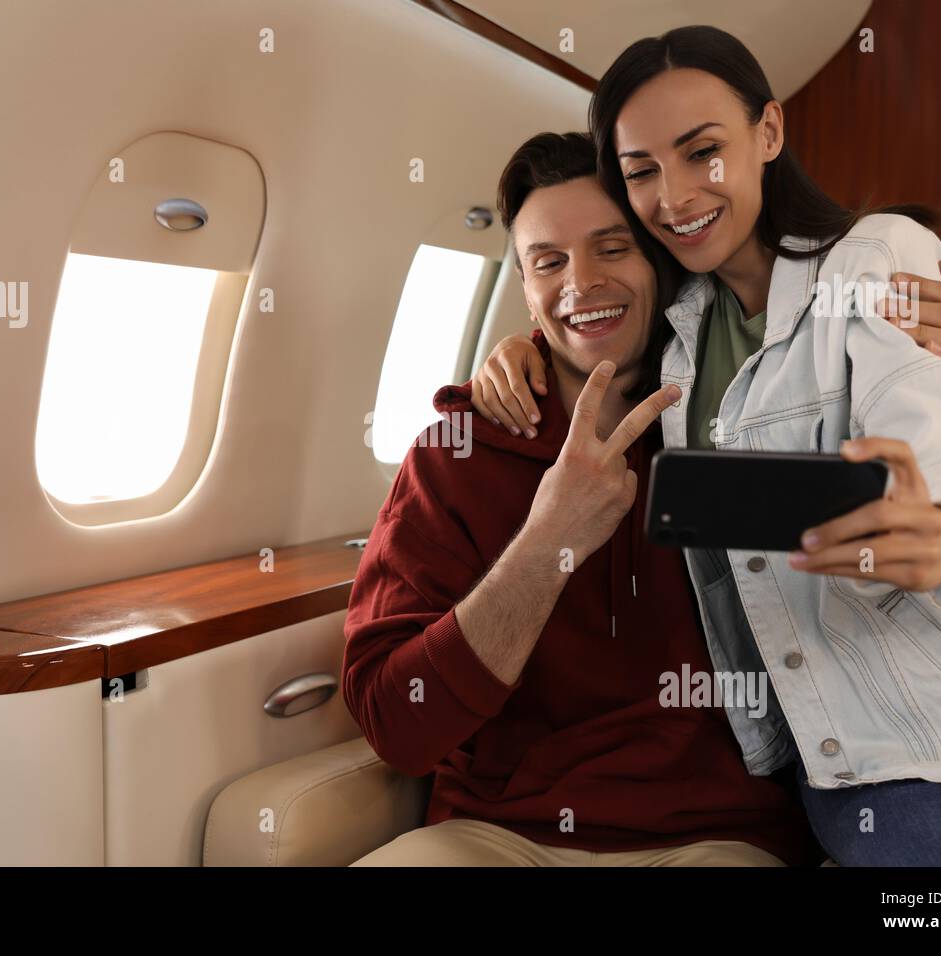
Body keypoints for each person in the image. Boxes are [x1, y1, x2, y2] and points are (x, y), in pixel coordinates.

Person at [468, 26, 941, 866]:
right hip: (866, 750)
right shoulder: (674, 344)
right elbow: (585, 306)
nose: (674, 196)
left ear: (770, 134)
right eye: (641, 172)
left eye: (702, 152)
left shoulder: (877, 257)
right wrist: (517, 349)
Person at [343, 131, 824, 867]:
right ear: (528, 291)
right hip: (494, 836)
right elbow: (397, 727)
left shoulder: (742, 422)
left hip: (715, 836)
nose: (581, 283)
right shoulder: (454, 456)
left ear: (660, 262)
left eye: (612, 248)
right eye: (550, 262)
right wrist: (547, 543)